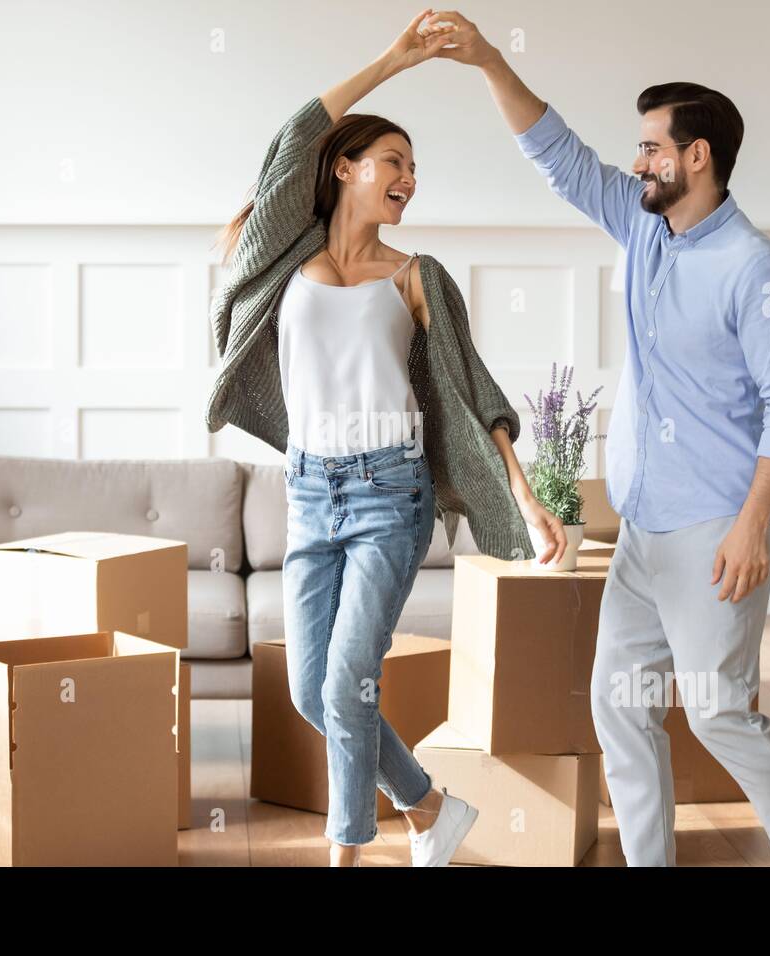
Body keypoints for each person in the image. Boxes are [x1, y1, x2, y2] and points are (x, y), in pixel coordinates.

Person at [421, 9, 770, 866]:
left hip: (715, 531)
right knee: (620, 706)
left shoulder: (758, 270)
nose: (638, 161)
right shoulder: (647, 226)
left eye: (653, 147)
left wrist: (752, 524)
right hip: (643, 530)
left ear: (698, 157)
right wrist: (487, 61)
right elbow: (559, 154)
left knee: (723, 712)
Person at [207, 9, 567, 867]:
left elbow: (475, 393)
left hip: (387, 496)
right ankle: (432, 808)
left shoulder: (416, 277)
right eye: (394, 161)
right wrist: (396, 60)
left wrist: (529, 499)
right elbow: (291, 139)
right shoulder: (282, 260)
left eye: (415, 168)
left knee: (344, 684)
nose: (409, 177)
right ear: (345, 167)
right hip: (308, 491)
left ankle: (347, 852)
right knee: (310, 690)